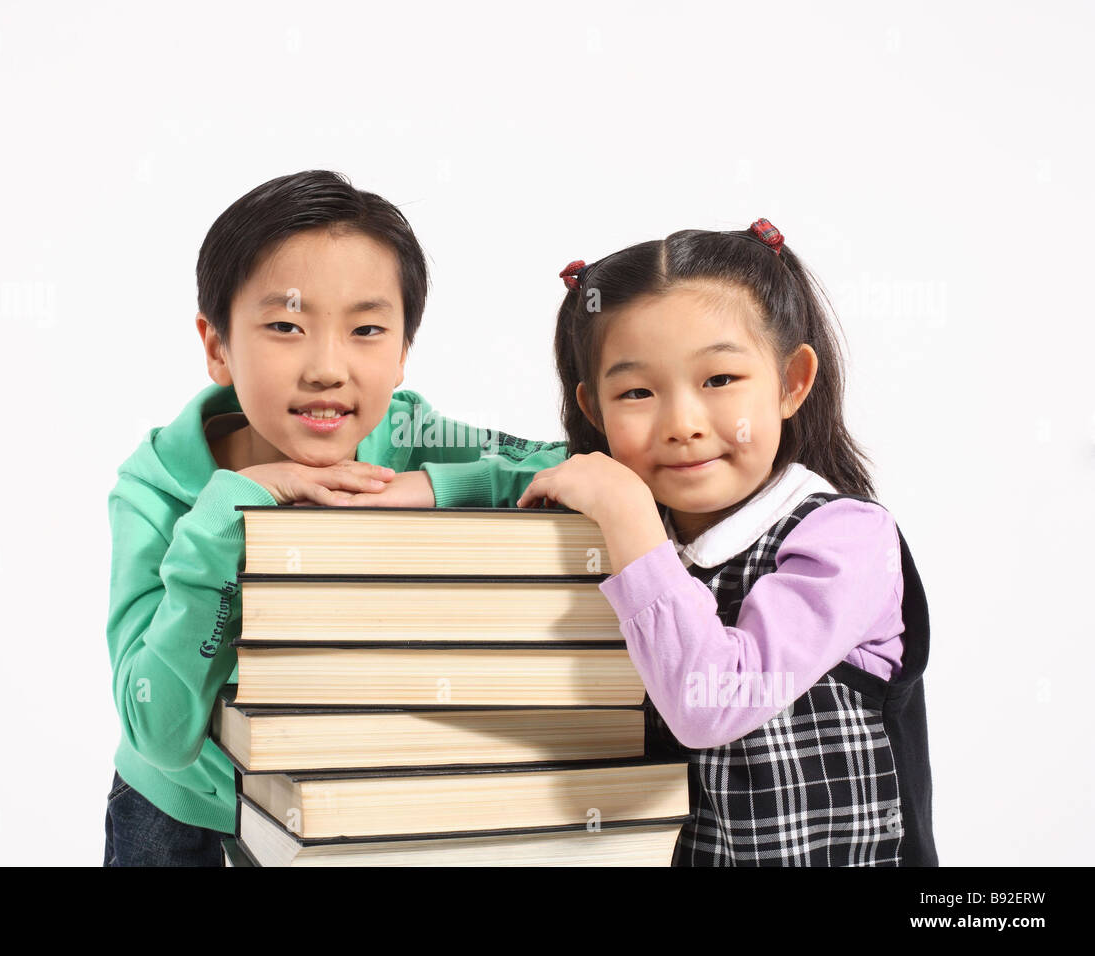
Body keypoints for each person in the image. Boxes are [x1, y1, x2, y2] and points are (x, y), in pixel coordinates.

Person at [104, 170, 567, 866]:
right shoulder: (154, 488)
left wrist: (429, 487)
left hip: (340, 797)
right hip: (179, 817)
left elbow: (566, 461)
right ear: (217, 345)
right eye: (286, 326)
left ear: (405, 349)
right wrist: (227, 518)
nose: (327, 367)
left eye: (367, 329)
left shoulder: (408, 437)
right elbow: (159, 732)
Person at [516, 219, 936, 866]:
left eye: (719, 381)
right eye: (636, 392)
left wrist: (628, 515)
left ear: (792, 382)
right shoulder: (633, 531)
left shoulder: (845, 538)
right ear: (595, 411)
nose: (682, 424)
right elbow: (514, 467)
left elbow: (713, 702)